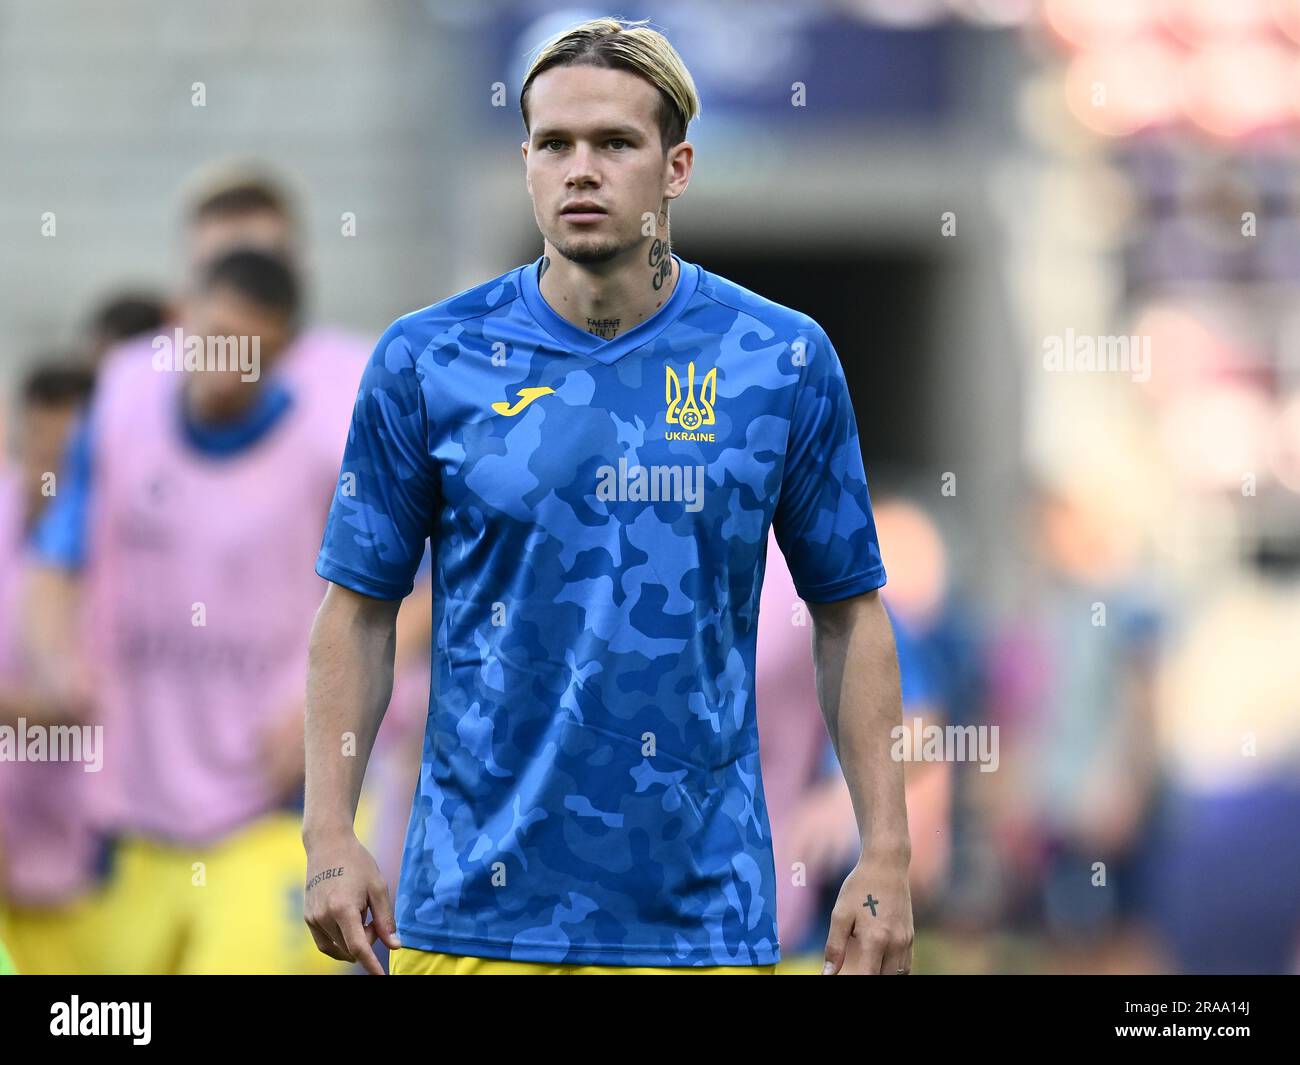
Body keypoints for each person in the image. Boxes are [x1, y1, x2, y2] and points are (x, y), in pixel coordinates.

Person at [303, 17, 911, 976]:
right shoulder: (429, 359)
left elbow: (850, 615)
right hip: (470, 915)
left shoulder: (781, 359)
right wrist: (328, 832)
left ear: (677, 167)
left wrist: (886, 851)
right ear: (527, 160)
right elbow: (358, 611)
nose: (580, 168)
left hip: (698, 924)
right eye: (555, 144)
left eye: (615, 143)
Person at [25, 250, 351, 973]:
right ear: (182, 318)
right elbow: (56, 556)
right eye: (213, 335)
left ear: (283, 350)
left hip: (263, 812)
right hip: (132, 817)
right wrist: (58, 663)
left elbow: (405, 595)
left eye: (250, 346)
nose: (224, 364)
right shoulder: (121, 396)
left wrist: (318, 715)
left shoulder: (326, 448)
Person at [0, 362, 102, 975]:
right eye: (37, 438)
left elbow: (81, 700)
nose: (49, 463)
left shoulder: (118, 541)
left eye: (66, 447)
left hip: (86, 868)